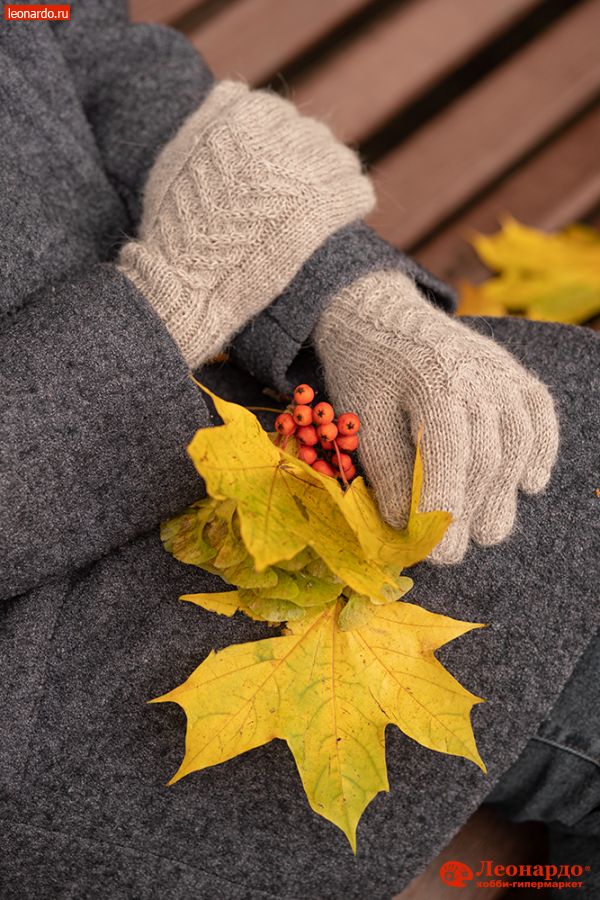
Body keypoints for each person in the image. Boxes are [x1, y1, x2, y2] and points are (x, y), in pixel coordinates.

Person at [0, 2, 598, 897]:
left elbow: (88, 44)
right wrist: (165, 306)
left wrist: (346, 298)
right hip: (66, 644)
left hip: (257, 413)